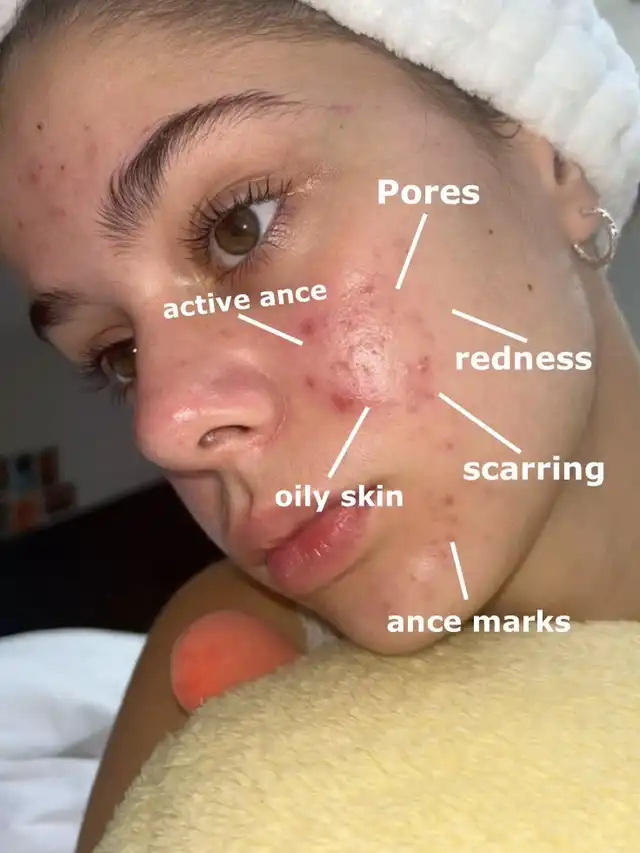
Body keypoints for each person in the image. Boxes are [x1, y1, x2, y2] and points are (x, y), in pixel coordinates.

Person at [0, 0, 638, 849]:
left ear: (553, 155)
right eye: (122, 353)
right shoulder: (215, 677)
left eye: (241, 228)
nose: (166, 424)